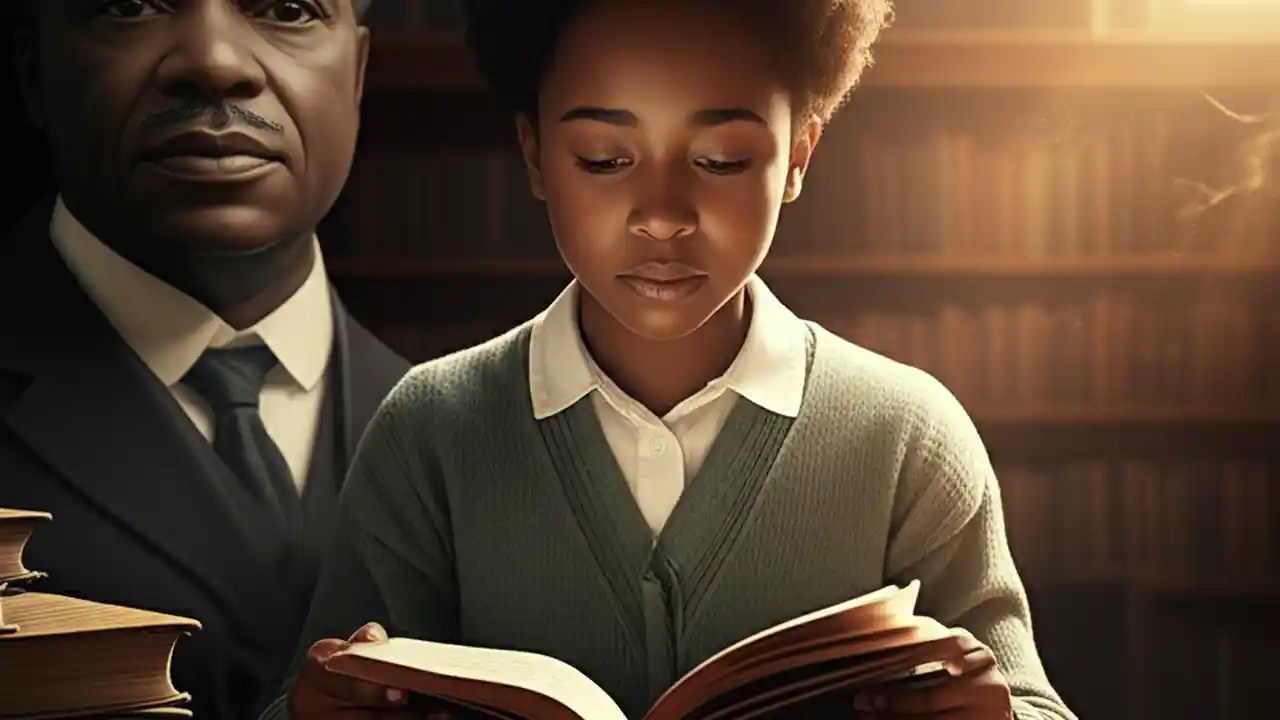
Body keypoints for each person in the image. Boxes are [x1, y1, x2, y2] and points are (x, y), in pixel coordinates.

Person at [264, 0, 1077, 718]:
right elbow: (321, 690)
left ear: (798, 157)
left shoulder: (906, 437)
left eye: (721, 159)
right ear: (536, 155)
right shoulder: (432, 431)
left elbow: (1028, 699)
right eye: (604, 160)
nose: (661, 216)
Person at [0, 1, 408, 718]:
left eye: (287, 7)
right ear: (32, 69)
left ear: (358, 72)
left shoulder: (473, 430)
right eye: (129, 5)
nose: (215, 63)